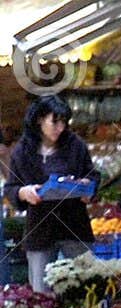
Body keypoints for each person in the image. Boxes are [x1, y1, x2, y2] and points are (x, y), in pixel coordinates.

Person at [4, 96, 97, 295]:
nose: (60, 127)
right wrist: (23, 192)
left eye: (64, 122)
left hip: (75, 225)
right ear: (39, 120)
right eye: (55, 121)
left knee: (86, 286)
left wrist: (88, 186)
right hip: (40, 229)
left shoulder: (75, 145)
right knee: (41, 292)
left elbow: (92, 174)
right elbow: (11, 187)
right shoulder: (22, 151)